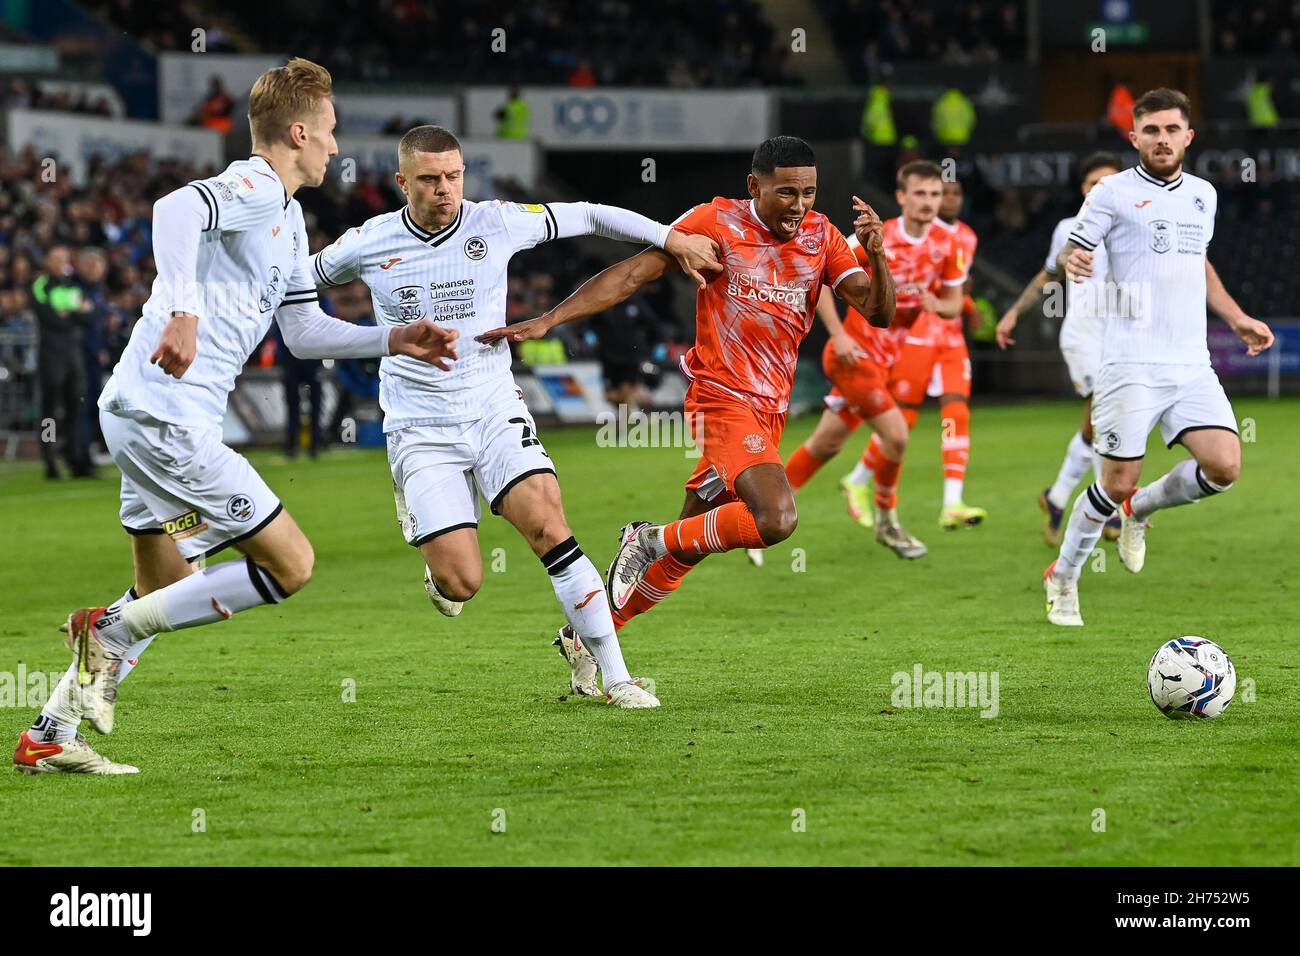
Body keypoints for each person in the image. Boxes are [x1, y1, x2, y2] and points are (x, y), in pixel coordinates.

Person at [13, 58, 458, 775]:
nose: (337, 149)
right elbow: (174, 209)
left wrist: (393, 337)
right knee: (290, 564)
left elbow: (305, 334)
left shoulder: (286, 220)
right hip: (168, 419)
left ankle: (50, 733)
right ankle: (108, 630)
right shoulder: (253, 185)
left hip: (142, 416)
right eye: (332, 133)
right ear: (299, 130)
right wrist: (183, 306)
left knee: (165, 588)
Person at [309, 125, 721, 707]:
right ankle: (426, 526)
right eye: (429, 180)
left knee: (550, 525)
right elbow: (295, 291)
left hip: (493, 406)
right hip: (420, 426)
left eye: (453, 176)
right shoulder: (365, 244)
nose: (445, 189)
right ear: (402, 183)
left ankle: (617, 676)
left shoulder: (496, 221)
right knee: (462, 583)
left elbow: (592, 214)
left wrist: (673, 238)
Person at [476, 136, 894, 692]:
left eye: (810, 192)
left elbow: (878, 310)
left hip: (769, 411)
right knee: (776, 519)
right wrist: (551, 320)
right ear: (755, 186)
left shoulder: (822, 237)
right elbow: (632, 275)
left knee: (689, 545)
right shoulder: (714, 223)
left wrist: (879, 254)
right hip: (722, 401)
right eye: (786, 192)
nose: (799, 205)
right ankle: (648, 537)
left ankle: (587, 638)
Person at [1043, 88, 1274, 627]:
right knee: (1115, 480)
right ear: (1135, 137)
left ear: (1188, 136)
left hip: (1190, 362)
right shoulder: (1111, 193)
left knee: (1224, 466)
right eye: (1151, 131)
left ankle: (1140, 510)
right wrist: (1073, 256)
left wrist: (1236, 317)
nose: (1162, 139)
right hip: (1129, 363)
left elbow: (1200, 265)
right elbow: (1071, 249)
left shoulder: (1203, 195)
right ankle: (1065, 576)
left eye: (1172, 130)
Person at [996, 152, 1123, 546]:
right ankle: (1111, 507)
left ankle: (1056, 498)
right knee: (1103, 416)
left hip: (1123, 338)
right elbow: (1050, 274)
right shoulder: (1071, 227)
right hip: (1083, 335)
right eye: (1092, 184)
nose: (1100, 189)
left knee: (1098, 426)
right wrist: (1014, 313)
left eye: (1108, 183)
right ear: (1082, 190)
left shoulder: (1133, 227)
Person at [32, 245, 94, 479]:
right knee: (50, 410)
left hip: (72, 354)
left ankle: (74, 457)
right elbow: (48, 317)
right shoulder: (41, 285)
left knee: (75, 406)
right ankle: (50, 460)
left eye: (64, 258)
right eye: (56, 258)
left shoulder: (72, 286)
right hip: (50, 355)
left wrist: (68, 312)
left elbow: (88, 316)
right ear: (47, 260)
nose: (60, 262)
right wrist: (75, 311)